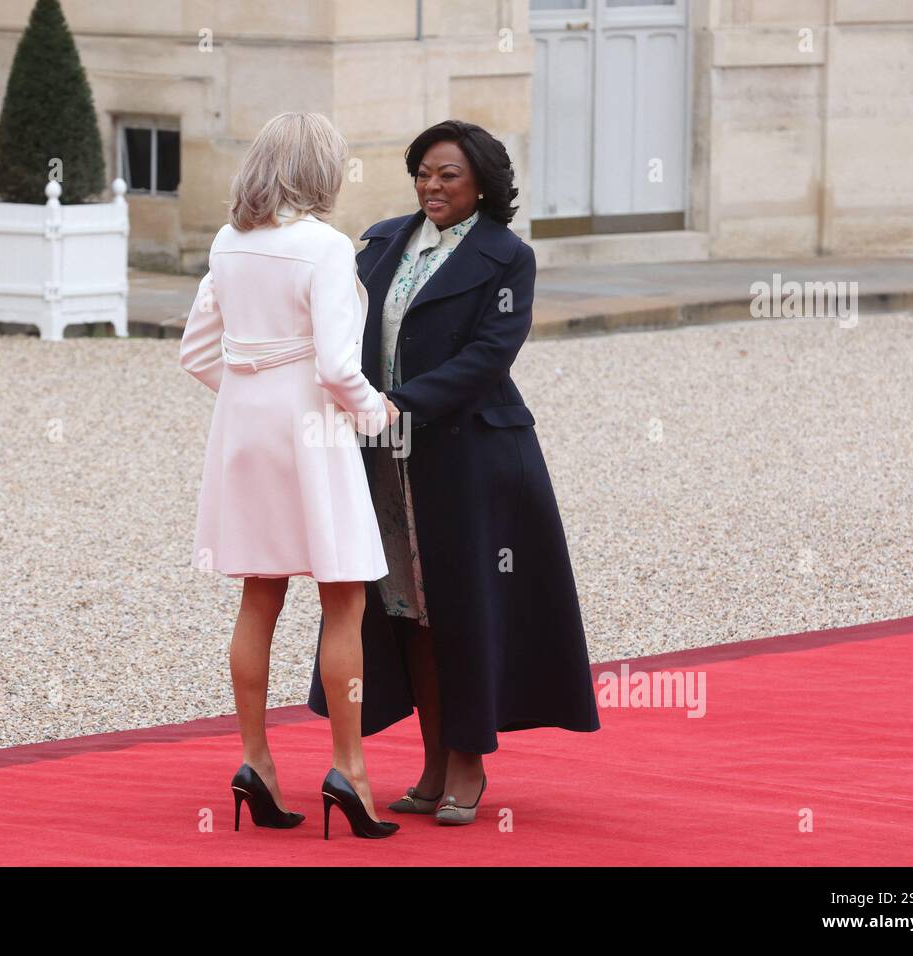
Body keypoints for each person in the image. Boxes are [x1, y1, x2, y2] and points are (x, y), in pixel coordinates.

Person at [306, 119, 602, 826]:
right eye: (423, 172)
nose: (432, 186)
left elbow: (488, 358)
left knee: (463, 610)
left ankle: (468, 762)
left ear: (483, 185)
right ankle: (433, 764)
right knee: (408, 611)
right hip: (384, 462)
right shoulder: (380, 241)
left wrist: (397, 405)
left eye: (449, 175)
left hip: (472, 460)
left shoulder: (507, 258)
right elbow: (342, 332)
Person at [179, 112, 400, 840]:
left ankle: (255, 762)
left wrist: (252, 393)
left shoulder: (226, 241)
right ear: (321, 171)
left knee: (259, 594)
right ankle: (349, 770)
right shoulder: (326, 248)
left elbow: (197, 354)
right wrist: (378, 417)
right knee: (343, 602)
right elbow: (339, 367)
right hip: (314, 434)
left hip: (246, 433)